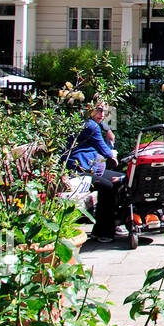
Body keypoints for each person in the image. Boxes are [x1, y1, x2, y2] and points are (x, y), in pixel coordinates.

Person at [66, 100, 125, 242]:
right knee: (110, 186)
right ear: (88, 108)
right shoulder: (91, 126)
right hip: (79, 171)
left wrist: (108, 129)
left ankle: (109, 225)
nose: (102, 114)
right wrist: (113, 155)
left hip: (88, 168)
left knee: (121, 178)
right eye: (98, 110)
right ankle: (104, 231)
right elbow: (105, 150)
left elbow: (98, 124)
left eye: (104, 111)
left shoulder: (83, 121)